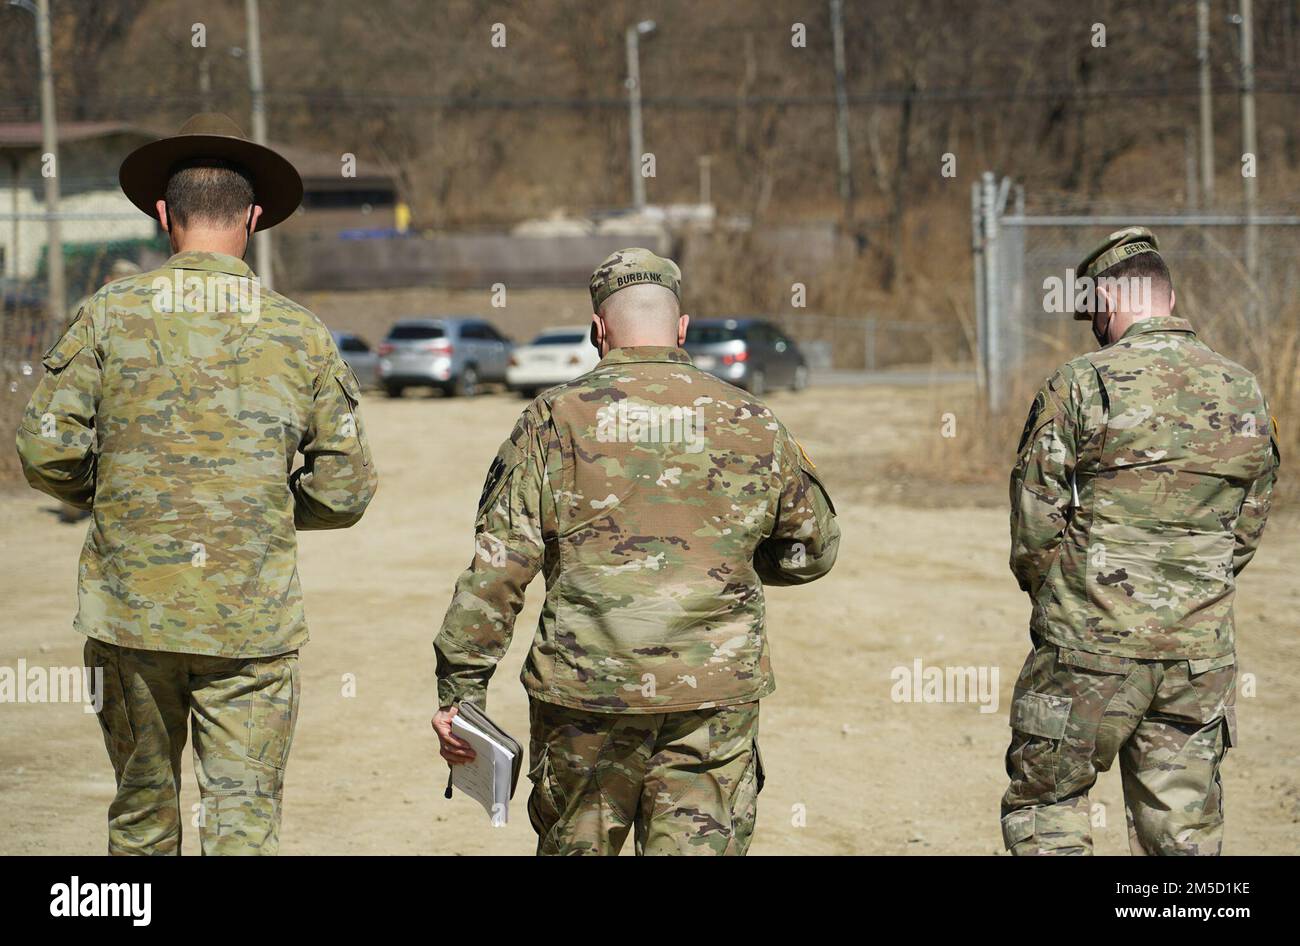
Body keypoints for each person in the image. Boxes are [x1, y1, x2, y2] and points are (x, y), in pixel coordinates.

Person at [15, 113, 378, 855]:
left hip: (130, 614)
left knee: (143, 818)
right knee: (243, 827)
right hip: (251, 623)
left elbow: (44, 449)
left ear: (161, 216)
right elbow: (346, 490)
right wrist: (264, 508)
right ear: (253, 219)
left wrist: (122, 496)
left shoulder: (109, 315)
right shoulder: (299, 331)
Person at [431, 247, 839, 855]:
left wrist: (460, 694)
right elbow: (813, 550)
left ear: (597, 330)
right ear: (682, 328)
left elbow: (500, 569)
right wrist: (727, 558)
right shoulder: (754, 419)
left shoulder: (550, 421)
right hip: (712, 700)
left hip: (585, 698)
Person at [1001, 227, 1279, 855]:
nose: (1092, 326)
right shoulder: (1244, 390)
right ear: (1169, 295)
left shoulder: (1078, 383)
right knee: (1181, 831)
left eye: (1092, 311)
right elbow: (1249, 521)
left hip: (1088, 642)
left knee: (1049, 806)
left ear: (1108, 299)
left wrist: (1067, 595)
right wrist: (1191, 583)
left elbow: (1034, 525)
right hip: (1197, 653)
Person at [56, 259, 141, 524]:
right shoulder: (139, 307)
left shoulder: (89, 304)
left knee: (79, 440)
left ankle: (74, 502)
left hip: (90, 381)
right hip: (114, 384)